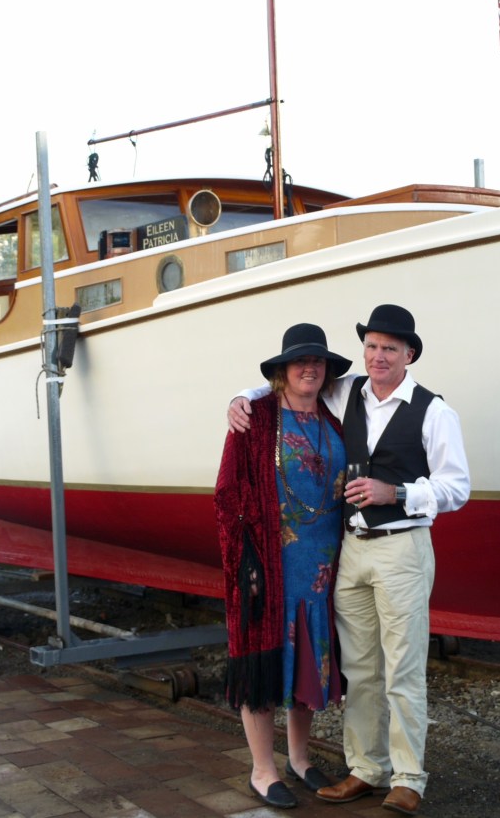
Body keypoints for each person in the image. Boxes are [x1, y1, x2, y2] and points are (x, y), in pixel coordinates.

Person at [228, 304, 470, 816]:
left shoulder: (434, 411)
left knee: (402, 669)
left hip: (399, 549)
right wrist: (241, 396)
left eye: (390, 348)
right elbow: (288, 390)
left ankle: (408, 777)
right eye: (373, 346)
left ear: (410, 354)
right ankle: (366, 768)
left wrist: (397, 492)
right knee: (360, 670)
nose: (379, 356)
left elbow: (457, 487)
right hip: (350, 554)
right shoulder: (349, 392)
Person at [215, 322, 352, 810]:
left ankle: (298, 758)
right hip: (269, 563)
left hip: (323, 562)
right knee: (264, 658)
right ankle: (262, 769)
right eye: (300, 362)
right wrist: (246, 555)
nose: (310, 369)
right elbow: (228, 491)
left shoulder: (334, 417)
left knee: (308, 660)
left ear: (327, 371)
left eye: (318, 363)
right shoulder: (255, 416)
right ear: (282, 370)